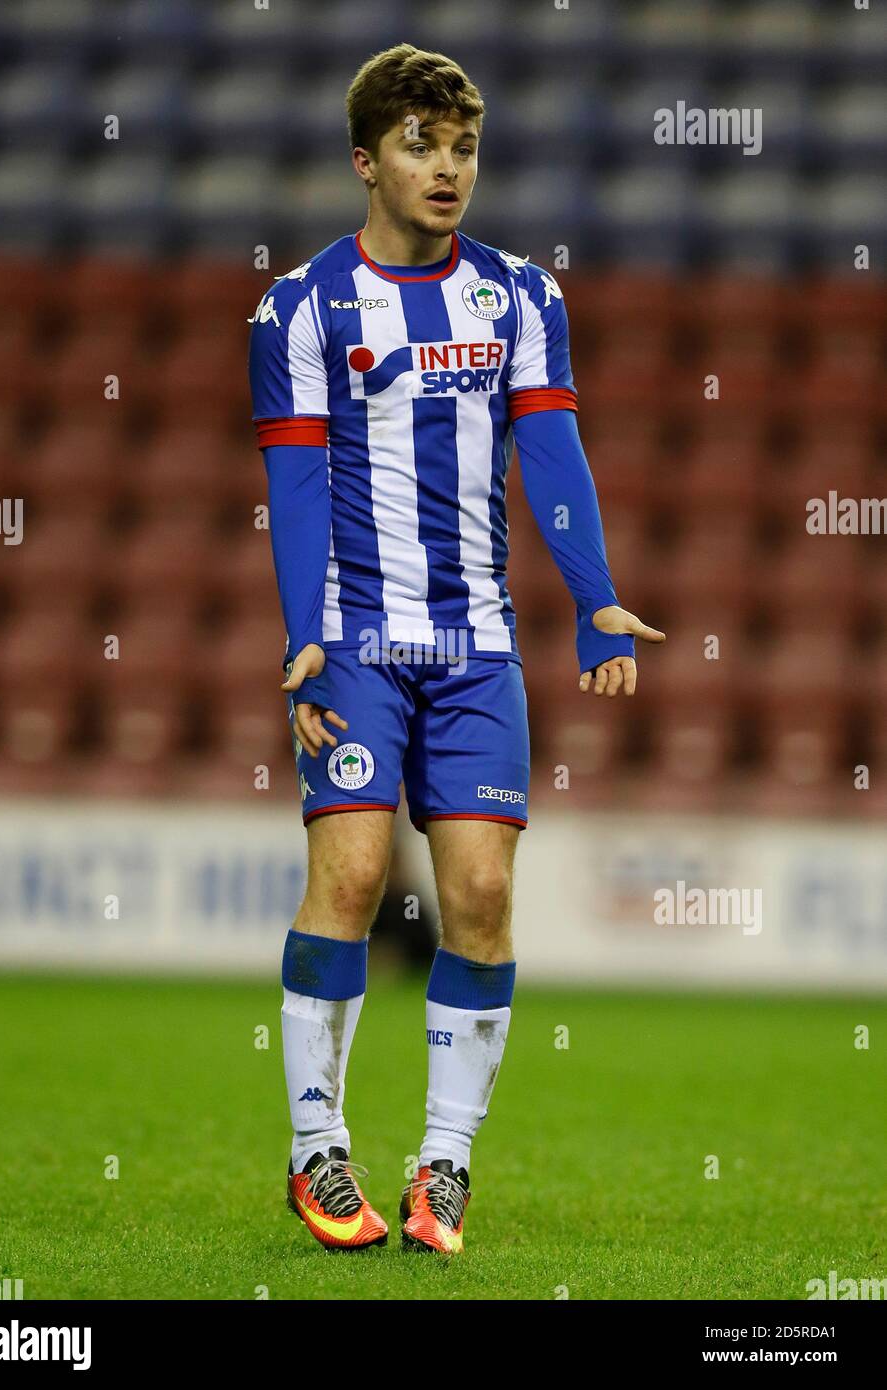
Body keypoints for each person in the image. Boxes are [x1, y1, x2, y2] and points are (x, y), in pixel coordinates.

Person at [248, 43, 665, 1255]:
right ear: (364, 160)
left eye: (464, 147)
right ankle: (316, 1149)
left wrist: (592, 598)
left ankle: (444, 1165)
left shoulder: (522, 297)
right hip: (359, 642)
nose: (447, 169)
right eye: (421, 146)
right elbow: (297, 479)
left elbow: (550, 451)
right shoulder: (301, 306)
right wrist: (305, 642)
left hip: (476, 644)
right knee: (352, 872)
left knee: (479, 893)